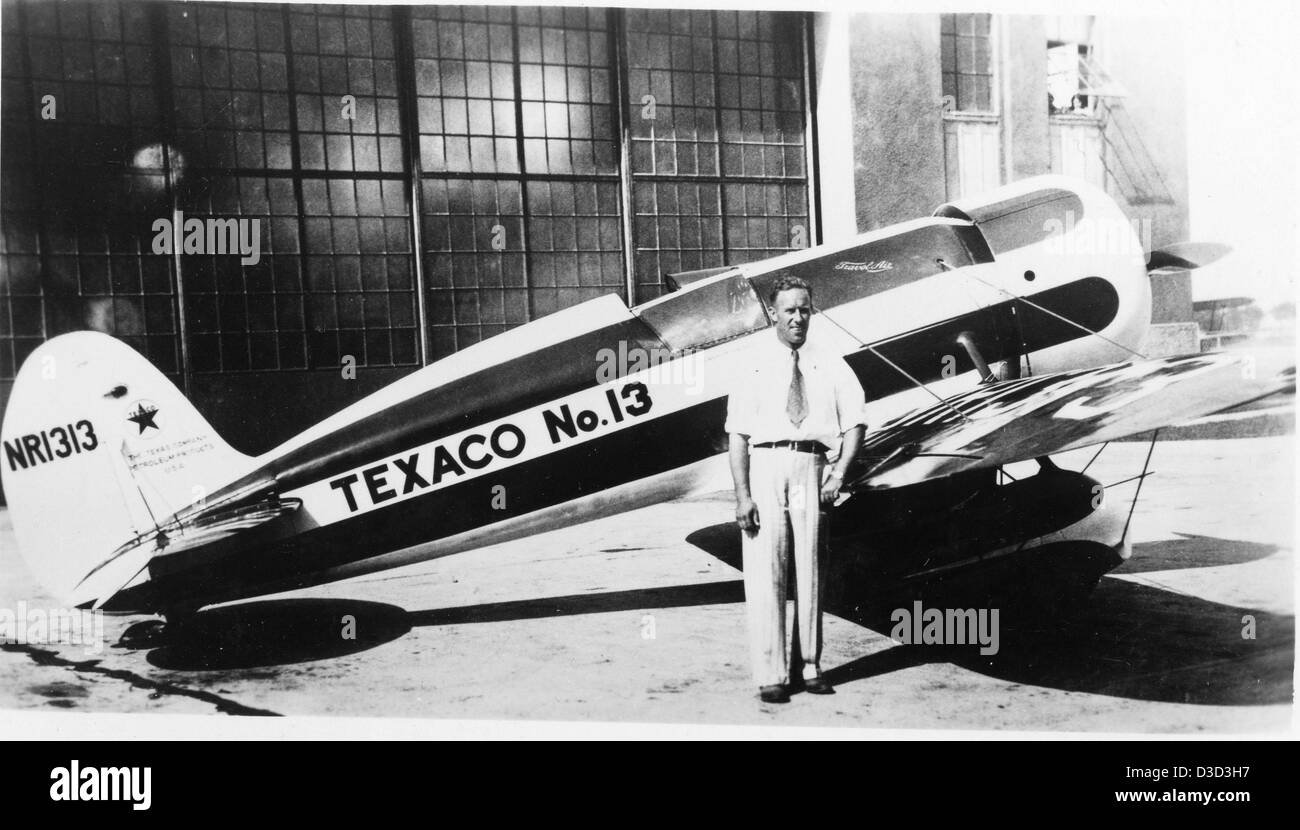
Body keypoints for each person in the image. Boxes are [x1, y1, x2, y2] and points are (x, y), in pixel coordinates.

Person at [725, 276, 867, 704]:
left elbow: (856, 420)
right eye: (789, 310)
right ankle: (771, 673)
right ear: (773, 313)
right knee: (767, 568)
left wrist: (839, 474)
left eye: (804, 309)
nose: (797, 317)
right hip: (767, 466)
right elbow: (737, 435)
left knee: (810, 566)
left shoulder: (830, 361)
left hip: (810, 467)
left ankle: (810, 666)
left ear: (812, 311)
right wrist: (742, 495)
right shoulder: (752, 362)